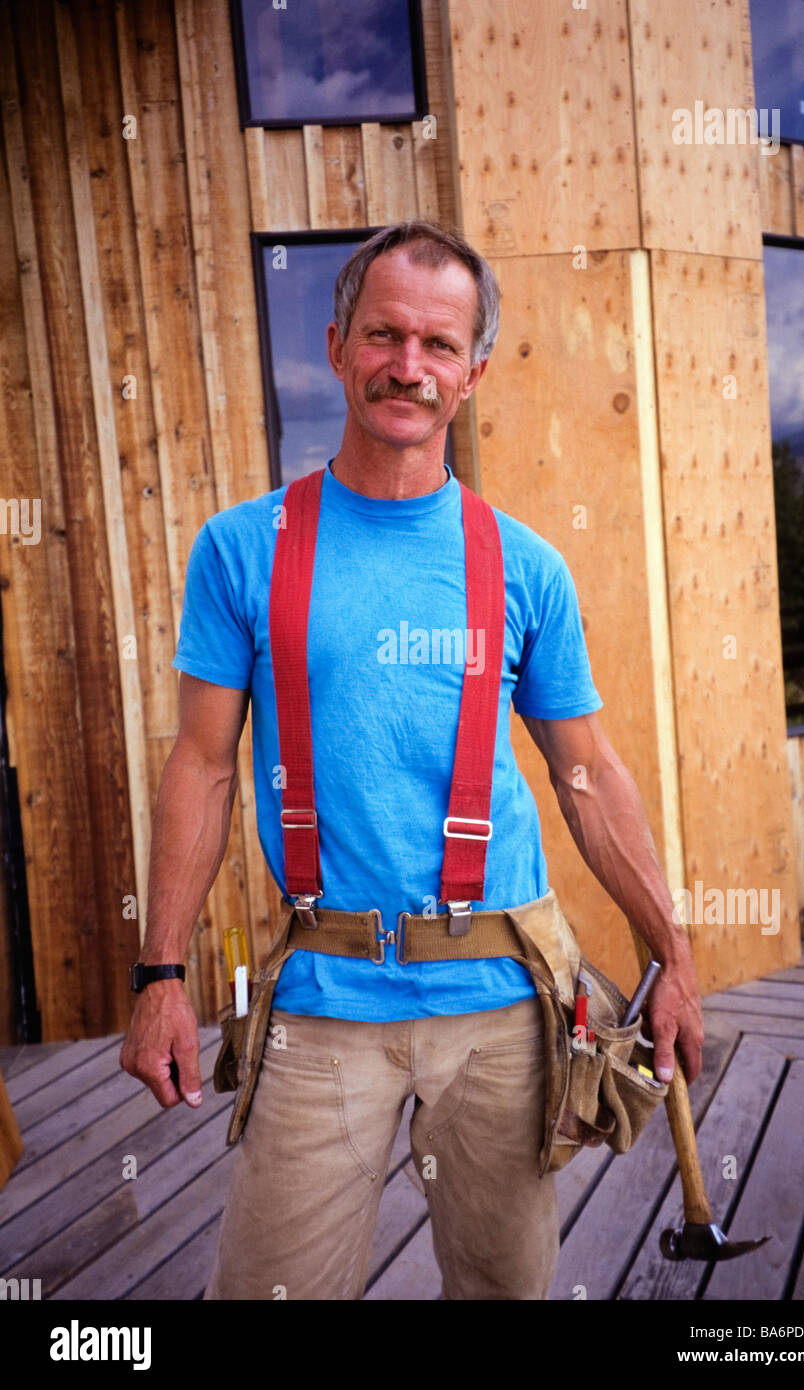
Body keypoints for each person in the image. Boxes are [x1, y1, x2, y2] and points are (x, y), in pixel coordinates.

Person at [119, 219, 704, 1300]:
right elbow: (199, 767)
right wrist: (159, 974)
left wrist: (670, 950)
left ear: (473, 370)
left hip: (501, 1007)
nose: (409, 367)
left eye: (439, 345)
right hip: (319, 1002)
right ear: (338, 345)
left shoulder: (521, 564)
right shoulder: (244, 549)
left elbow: (588, 773)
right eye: (384, 335)